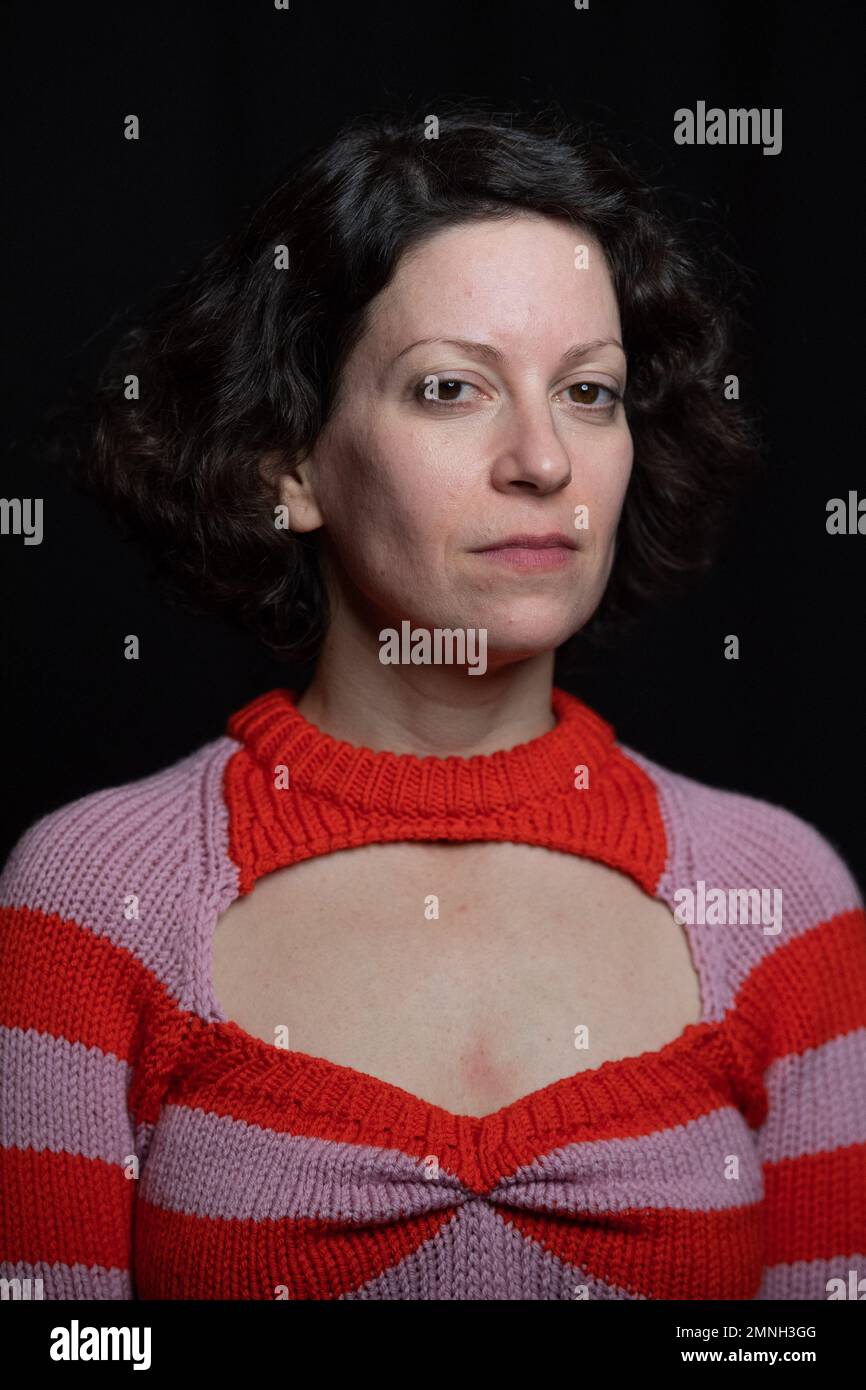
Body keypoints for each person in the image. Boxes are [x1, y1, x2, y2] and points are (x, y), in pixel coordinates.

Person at [1, 105, 864, 1301]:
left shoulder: (782, 902)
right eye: (451, 388)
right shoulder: (93, 899)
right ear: (286, 465)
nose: (543, 461)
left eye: (590, 393)